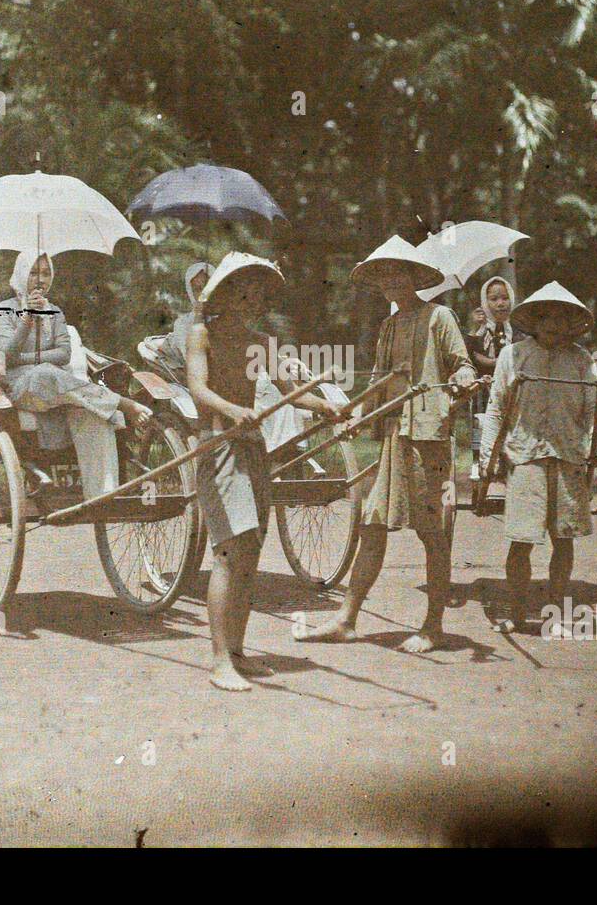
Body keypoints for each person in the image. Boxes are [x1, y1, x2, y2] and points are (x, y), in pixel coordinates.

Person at [295, 236, 477, 654]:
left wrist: (464, 380)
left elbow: (461, 365)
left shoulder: (439, 317)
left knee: (432, 534)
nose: (391, 281)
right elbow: (379, 381)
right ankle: (346, 619)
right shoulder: (389, 325)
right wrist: (357, 418)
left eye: (398, 272)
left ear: (414, 276)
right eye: (382, 276)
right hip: (394, 438)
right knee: (372, 526)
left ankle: (433, 626)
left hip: (427, 439)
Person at [186, 252, 341, 691]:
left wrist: (325, 406)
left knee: (250, 554)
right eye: (244, 290)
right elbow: (198, 389)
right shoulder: (202, 334)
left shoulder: (262, 342)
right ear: (226, 293)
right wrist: (233, 410)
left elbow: (292, 394)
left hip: (254, 451)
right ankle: (219, 661)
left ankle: (237, 651)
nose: (252, 299)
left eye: (258, 292)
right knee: (229, 552)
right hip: (218, 448)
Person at [479, 281, 597, 631]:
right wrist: (489, 457)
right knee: (521, 541)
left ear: (571, 324)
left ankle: (556, 613)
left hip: (566, 456)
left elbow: (590, 413)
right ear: (535, 320)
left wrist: (586, 451)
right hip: (525, 457)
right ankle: (515, 614)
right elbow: (497, 409)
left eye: (561, 319)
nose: (553, 325)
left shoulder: (581, 361)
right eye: (546, 317)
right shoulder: (513, 356)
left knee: (563, 539)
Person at [0, 251, 152, 496]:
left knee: (93, 415)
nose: (40, 280)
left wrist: (30, 358)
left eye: (46, 273)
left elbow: (64, 354)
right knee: (45, 372)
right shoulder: (2, 310)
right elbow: (7, 356)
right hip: (23, 389)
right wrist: (26, 321)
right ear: (22, 274)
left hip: (58, 389)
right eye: (33, 273)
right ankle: (121, 403)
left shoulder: (54, 311)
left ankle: (102, 497)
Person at [464, 275, 517, 480]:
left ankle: (511, 466)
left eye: (504, 298)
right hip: (485, 389)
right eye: (494, 299)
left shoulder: (517, 331)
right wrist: (473, 329)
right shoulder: (480, 332)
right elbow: (471, 357)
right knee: (481, 422)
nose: (500, 303)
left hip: (511, 387)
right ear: (486, 303)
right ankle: (480, 461)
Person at [153, 261, 212, 383]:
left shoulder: (228, 318)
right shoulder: (183, 324)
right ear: (191, 292)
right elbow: (193, 360)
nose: (203, 293)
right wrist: (198, 318)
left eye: (207, 286)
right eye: (197, 289)